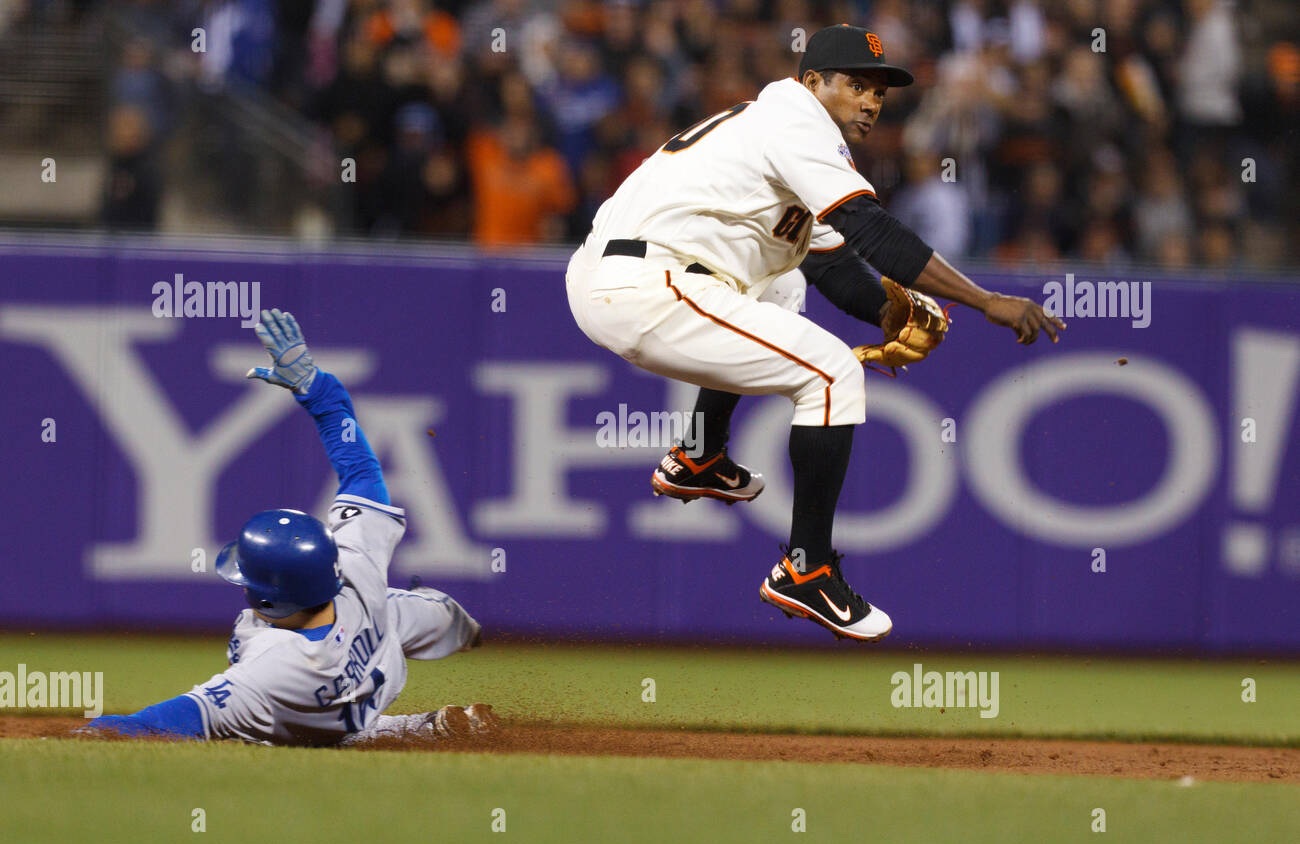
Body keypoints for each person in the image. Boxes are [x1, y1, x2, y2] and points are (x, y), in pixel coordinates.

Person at [565, 24, 1064, 643]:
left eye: (880, 90)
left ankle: (698, 452)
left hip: (631, 274)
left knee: (784, 285)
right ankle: (806, 569)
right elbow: (871, 230)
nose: (872, 101)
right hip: (645, 282)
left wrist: (895, 311)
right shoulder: (796, 122)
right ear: (813, 83)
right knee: (832, 372)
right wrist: (987, 299)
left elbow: (830, 263)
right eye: (856, 84)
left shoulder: (780, 132)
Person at [79, 310, 493, 745]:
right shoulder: (355, 565)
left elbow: (169, 720)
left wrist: (81, 734)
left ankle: (403, 729)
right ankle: (440, 683)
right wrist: (320, 392)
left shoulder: (271, 665)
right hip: (374, 637)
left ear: (268, 599)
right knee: (430, 611)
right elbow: (361, 472)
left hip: (321, 710)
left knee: (302, 733)